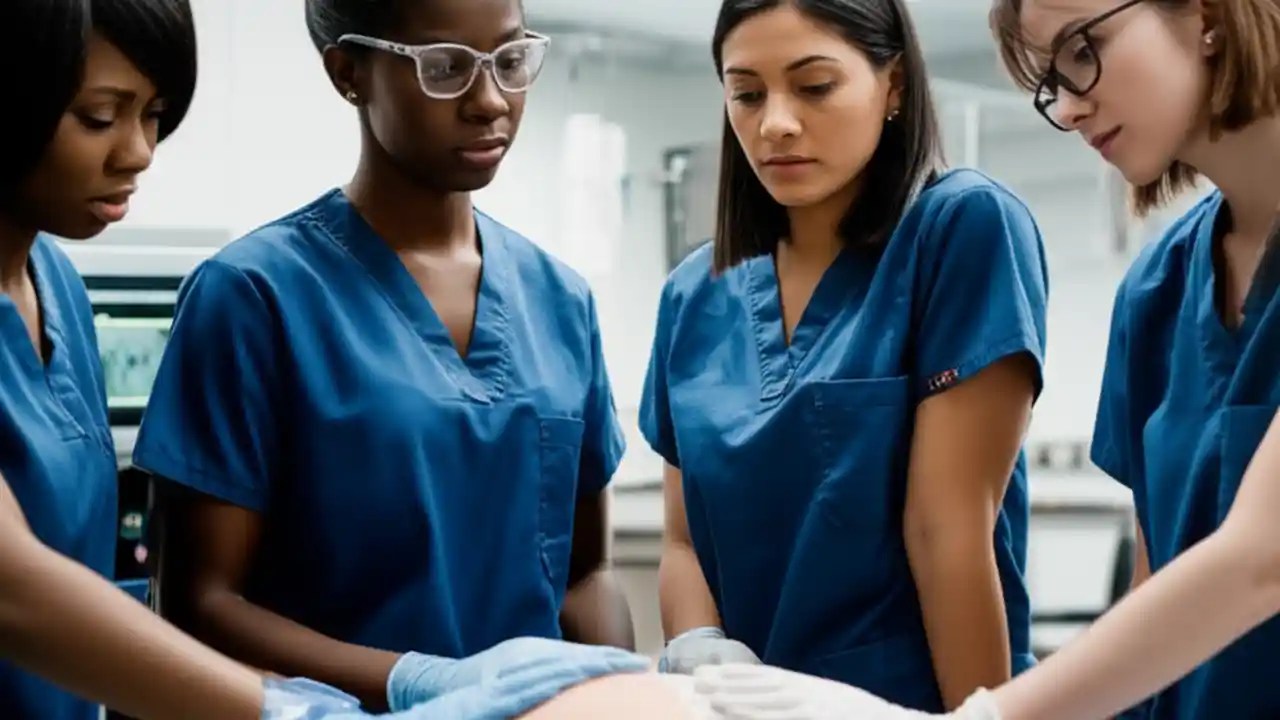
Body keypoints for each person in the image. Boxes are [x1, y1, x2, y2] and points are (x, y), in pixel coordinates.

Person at [0, 1, 644, 718]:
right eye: (445, 67)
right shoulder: (254, 295)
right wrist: (386, 691)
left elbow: (583, 570)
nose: (489, 99)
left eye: (512, 61)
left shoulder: (558, 299)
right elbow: (165, 600)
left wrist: (621, 688)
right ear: (348, 72)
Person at [688, 0, 1280, 718]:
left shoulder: (959, 227)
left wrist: (986, 716)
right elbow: (1160, 596)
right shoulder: (1160, 291)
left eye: (1083, 49)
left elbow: (1260, 560)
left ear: (1208, 13)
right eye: (1051, 78)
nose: (1067, 107)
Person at [640, 0, 1049, 713]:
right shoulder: (691, 296)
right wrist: (702, 646)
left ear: (893, 85)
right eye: (746, 93)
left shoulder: (960, 229)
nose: (775, 123)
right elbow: (681, 539)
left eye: (815, 86)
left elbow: (947, 528)